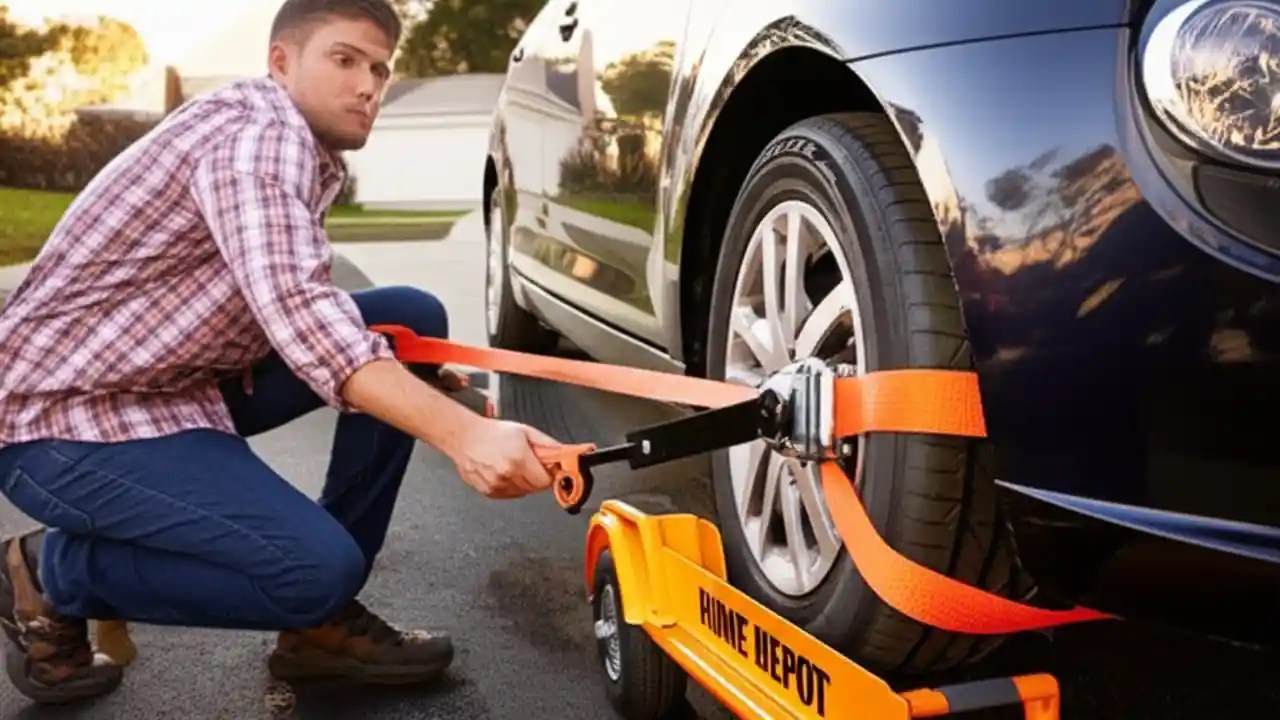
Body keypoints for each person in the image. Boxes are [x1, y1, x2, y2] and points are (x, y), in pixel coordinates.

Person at [0, 0, 564, 705]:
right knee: (312, 569)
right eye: (344, 59)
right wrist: (468, 436)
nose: (369, 85)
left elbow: (282, 303)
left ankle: (317, 631)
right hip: (61, 424)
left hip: (165, 384)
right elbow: (301, 315)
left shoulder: (284, 138)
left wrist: (400, 374)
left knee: (402, 322)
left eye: (381, 69)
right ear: (280, 62)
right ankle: (49, 570)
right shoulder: (258, 139)